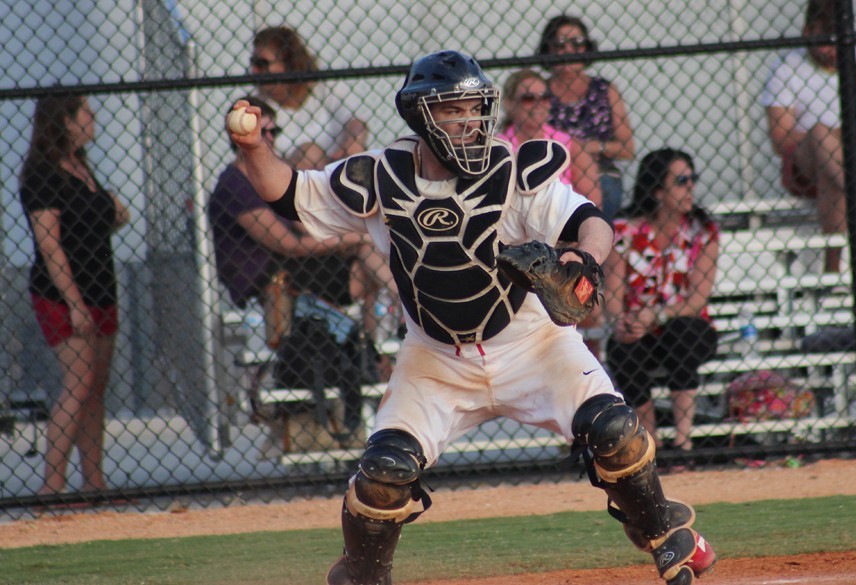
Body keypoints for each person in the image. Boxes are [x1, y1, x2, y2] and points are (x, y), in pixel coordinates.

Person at [228, 50, 716, 585]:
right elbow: (289, 194)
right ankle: (362, 574)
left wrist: (585, 257)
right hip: (435, 357)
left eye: (476, 109)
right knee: (385, 473)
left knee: (615, 430)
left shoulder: (511, 170)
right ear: (420, 116)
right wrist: (253, 148)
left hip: (531, 341)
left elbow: (589, 218)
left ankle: (662, 532)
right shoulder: (381, 175)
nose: (470, 122)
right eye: (453, 110)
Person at [209, 96, 389, 447]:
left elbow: (301, 231)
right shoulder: (235, 184)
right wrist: (352, 237)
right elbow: (287, 245)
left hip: (297, 268)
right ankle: (402, 314)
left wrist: (349, 235)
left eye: (274, 131)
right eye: (262, 131)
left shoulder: (271, 174)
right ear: (239, 135)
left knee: (365, 252)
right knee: (364, 249)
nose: (270, 138)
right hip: (273, 279)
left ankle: (387, 332)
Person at [19, 95, 131, 495]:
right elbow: (50, 245)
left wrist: (113, 210)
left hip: (101, 287)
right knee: (79, 383)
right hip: (63, 294)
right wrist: (75, 305)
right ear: (65, 121)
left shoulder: (82, 168)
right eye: (85, 111)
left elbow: (102, 221)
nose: (93, 117)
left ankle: (93, 482)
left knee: (96, 386)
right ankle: (51, 486)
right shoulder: (43, 174)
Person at [760, 0, 856, 273]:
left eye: (837, 40)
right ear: (808, 31)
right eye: (824, 40)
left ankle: (832, 271)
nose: (832, 50)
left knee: (832, 171)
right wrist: (837, 133)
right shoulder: (787, 67)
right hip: (805, 159)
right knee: (822, 137)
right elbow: (780, 139)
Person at [604, 148, 720, 462]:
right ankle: (650, 447)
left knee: (682, 333)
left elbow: (697, 300)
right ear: (657, 190)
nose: (691, 187)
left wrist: (656, 314)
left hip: (687, 327)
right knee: (623, 348)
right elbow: (612, 298)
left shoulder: (703, 231)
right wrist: (623, 323)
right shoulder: (623, 231)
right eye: (682, 181)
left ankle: (683, 444)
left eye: (692, 179)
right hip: (640, 331)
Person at [537, 14, 636, 218]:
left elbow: (627, 149)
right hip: (553, 174)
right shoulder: (538, 93)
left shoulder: (605, 90)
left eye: (577, 43)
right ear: (548, 50)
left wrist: (586, 148)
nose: (569, 50)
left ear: (587, 48)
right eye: (560, 44)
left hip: (600, 173)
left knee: (603, 190)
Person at [251, 25, 368, 170]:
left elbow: (356, 123)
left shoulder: (324, 86)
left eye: (261, 64)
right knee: (309, 152)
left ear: (288, 64)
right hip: (293, 179)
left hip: (338, 172)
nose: (254, 70)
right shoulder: (259, 107)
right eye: (253, 63)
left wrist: (353, 142)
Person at [498, 68, 601, 206]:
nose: (539, 104)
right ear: (509, 104)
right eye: (528, 98)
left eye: (545, 97)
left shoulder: (568, 144)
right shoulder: (498, 148)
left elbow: (594, 201)